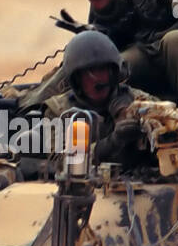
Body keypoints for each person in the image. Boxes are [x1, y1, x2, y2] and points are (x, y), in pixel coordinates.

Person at [37, 31, 153, 166]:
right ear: (76, 79)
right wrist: (112, 142)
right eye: (90, 73)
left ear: (114, 72)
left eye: (103, 70)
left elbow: (174, 123)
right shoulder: (59, 111)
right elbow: (61, 161)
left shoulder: (138, 100)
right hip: (84, 184)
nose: (99, 79)